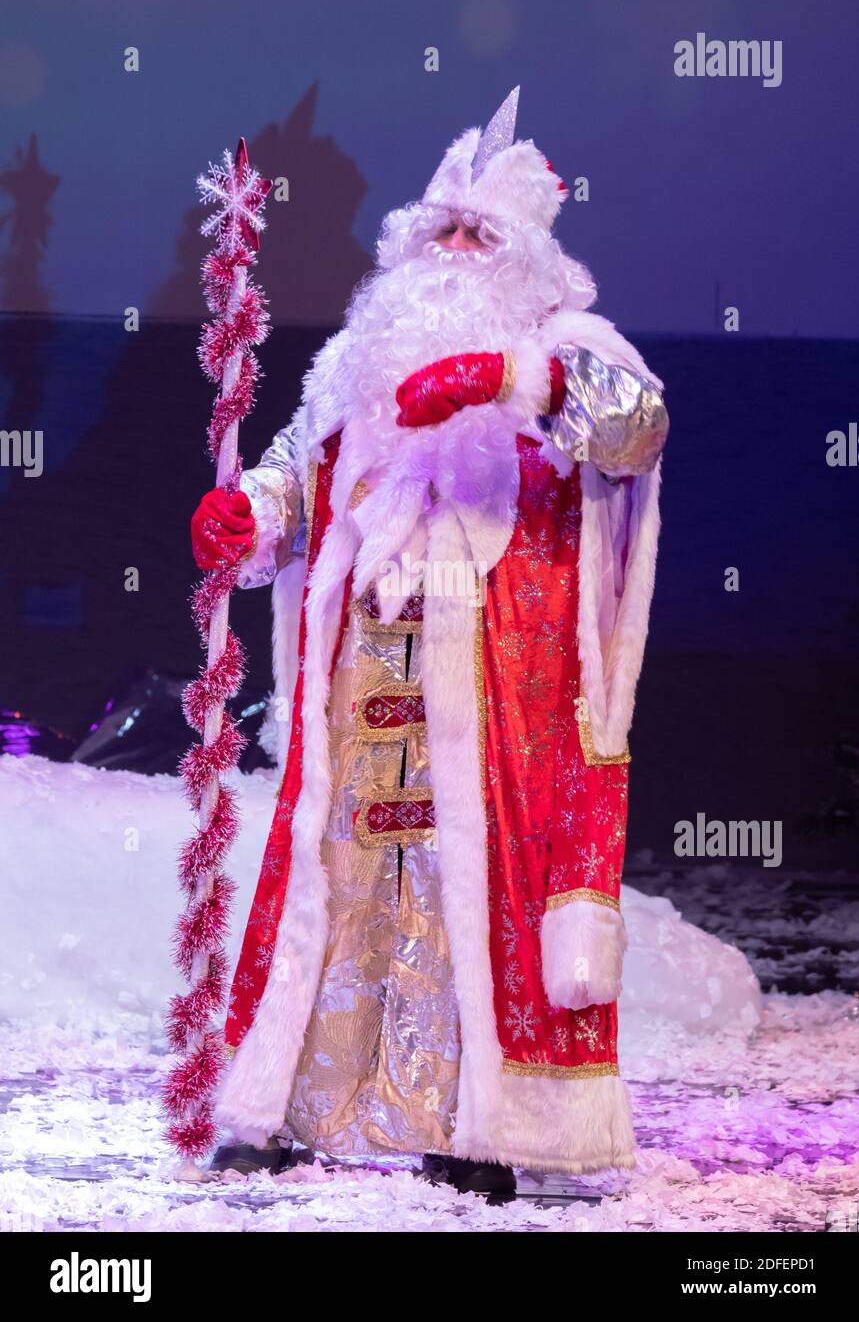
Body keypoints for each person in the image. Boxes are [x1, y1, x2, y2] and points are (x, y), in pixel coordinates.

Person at [191, 88, 669, 1199]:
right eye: (437, 230)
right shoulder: (353, 368)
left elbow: (635, 429)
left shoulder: (565, 347)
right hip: (361, 683)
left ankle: (486, 1127)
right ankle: (292, 1102)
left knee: (474, 898)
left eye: (478, 233)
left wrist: (509, 380)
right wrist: (252, 519)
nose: (451, 248)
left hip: (495, 697)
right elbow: (303, 473)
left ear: (526, 259)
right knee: (343, 883)